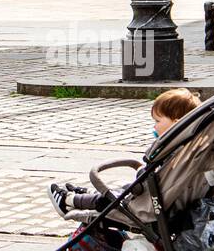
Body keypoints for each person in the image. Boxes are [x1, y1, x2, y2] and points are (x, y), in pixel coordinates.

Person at [47, 88, 201, 216]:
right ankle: (89, 193)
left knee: (114, 199)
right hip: (159, 195)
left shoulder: (174, 150)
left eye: (158, 121)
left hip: (152, 202)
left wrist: (143, 172)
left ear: (176, 123)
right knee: (125, 189)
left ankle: (69, 201)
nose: (154, 127)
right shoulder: (188, 147)